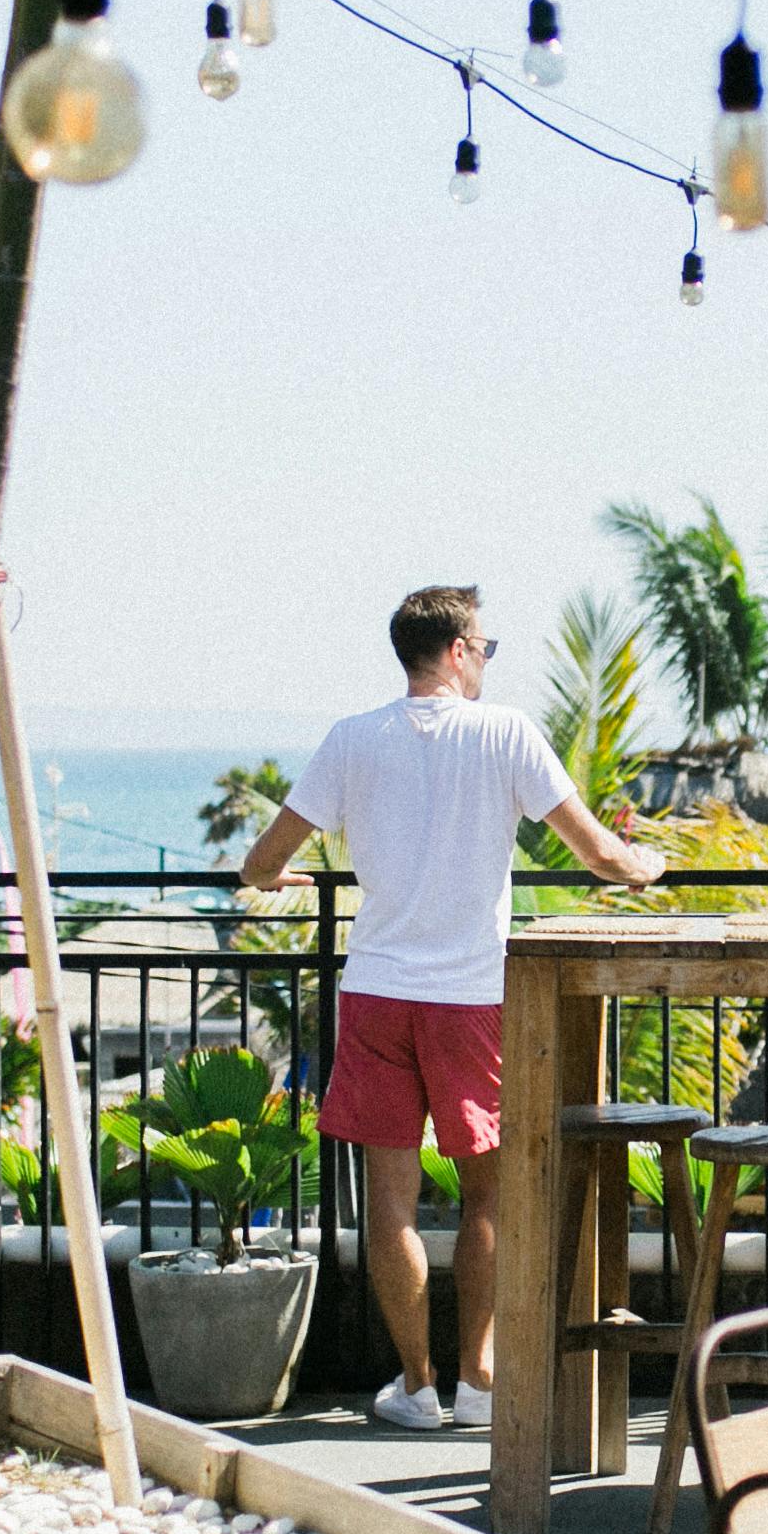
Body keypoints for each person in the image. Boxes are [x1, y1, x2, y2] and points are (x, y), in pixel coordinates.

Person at [238, 586, 662, 1432]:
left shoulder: (352, 738)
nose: (485, 662)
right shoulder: (504, 733)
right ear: (460, 650)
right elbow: (598, 855)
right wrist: (646, 866)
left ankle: (416, 1386)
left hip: (377, 991)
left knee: (390, 1203)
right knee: (487, 1198)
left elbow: (259, 863)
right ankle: (478, 1380)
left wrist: (276, 877)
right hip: (470, 997)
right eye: (485, 648)